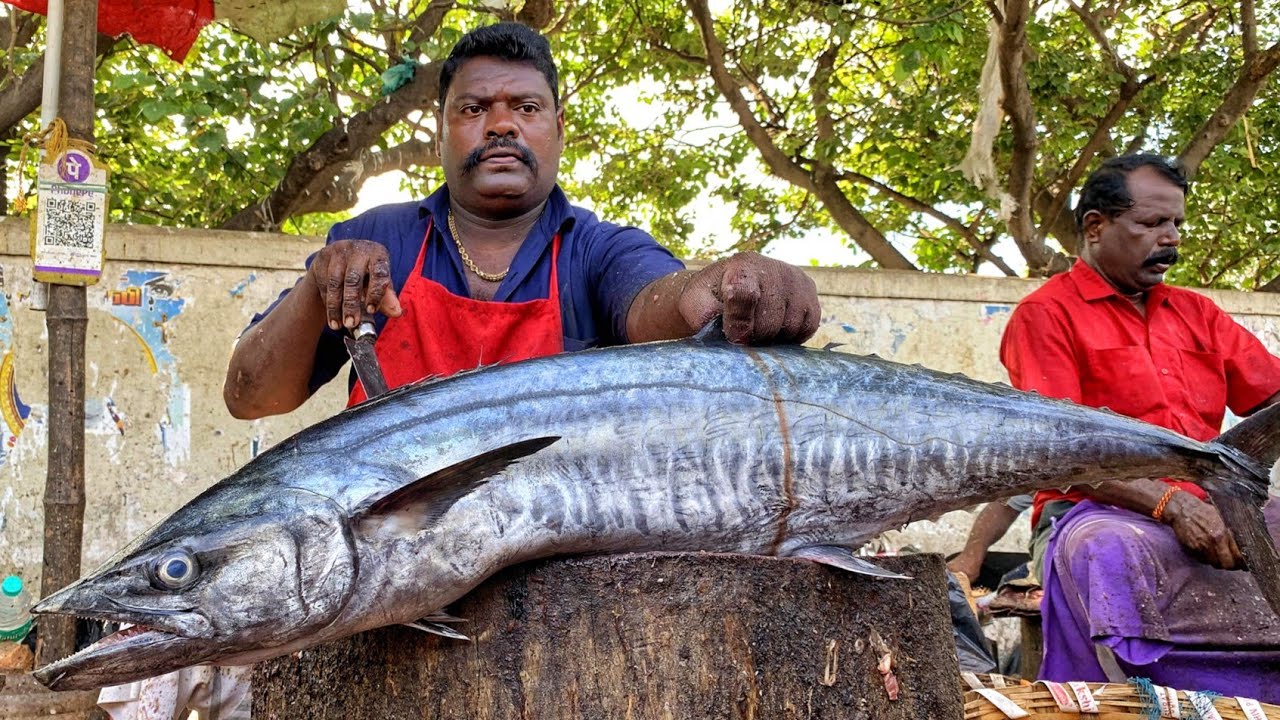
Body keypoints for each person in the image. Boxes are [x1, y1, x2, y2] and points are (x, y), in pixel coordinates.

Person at [223, 22, 820, 418]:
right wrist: (316, 286)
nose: (501, 125)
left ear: (558, 128)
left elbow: (657, 302)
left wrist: (712, 291)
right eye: (475, 108)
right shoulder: (379, 240)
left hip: (562, 582)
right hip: (398, 561)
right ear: (442, 132)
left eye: (526, 108)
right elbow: (249, 397)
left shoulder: (599, 250)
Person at [999, 153, 1280, 698]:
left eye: (1176, 223)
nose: (1171, 238)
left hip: (1216, 502)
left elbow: (1272, 394)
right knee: (1109, 549)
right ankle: (1129, 700)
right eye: (1153, 224)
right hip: (1089, 511)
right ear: (1097, 227)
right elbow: (1058, 453)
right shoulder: (1046, 316)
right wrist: (1170, 505)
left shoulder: (1198, 314)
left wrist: (1204, 501)